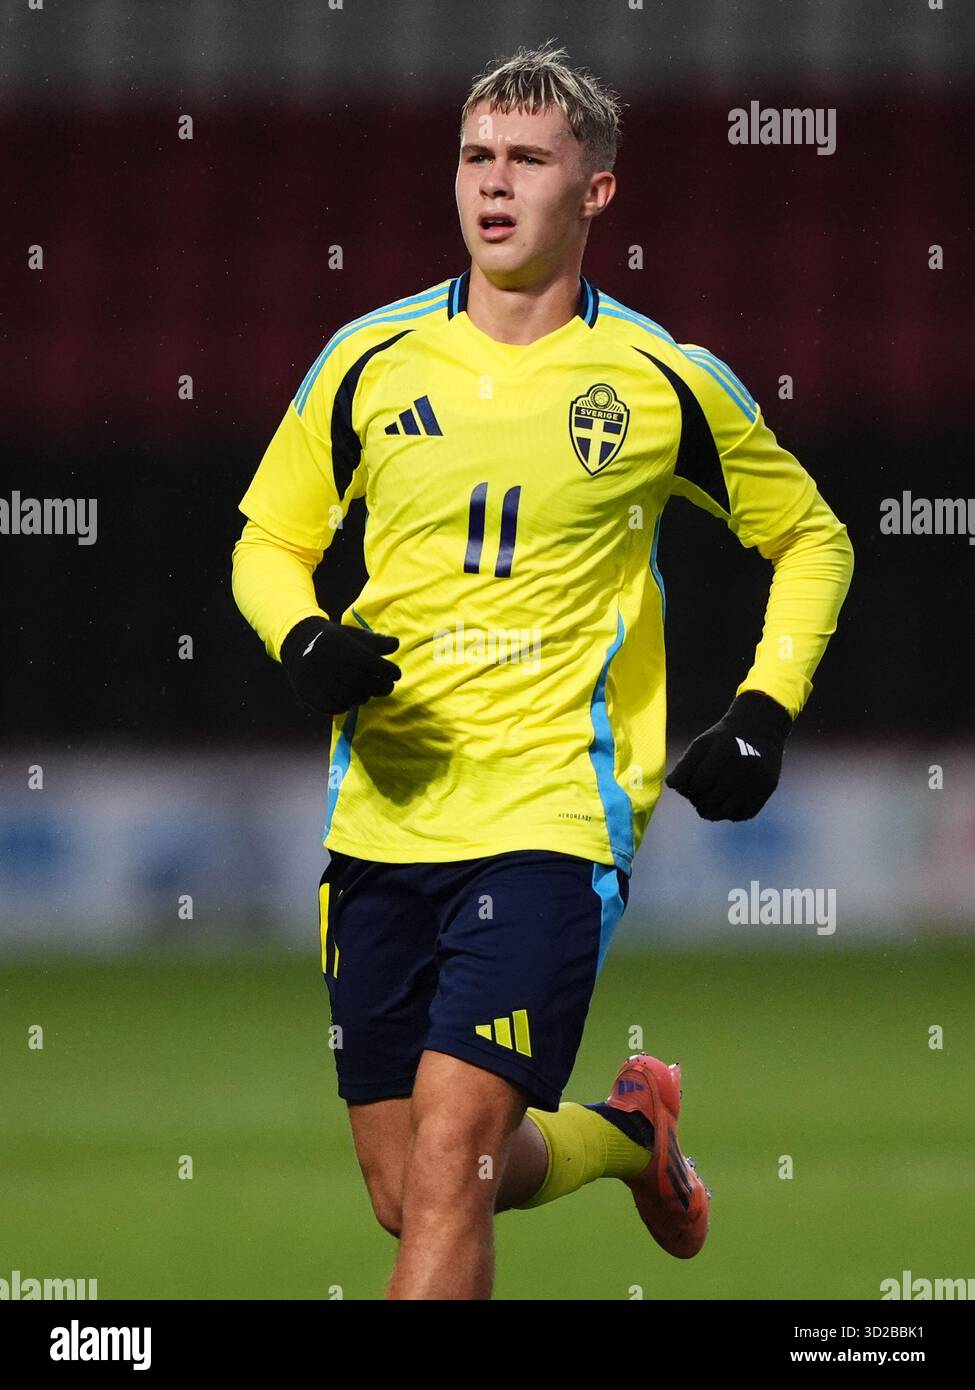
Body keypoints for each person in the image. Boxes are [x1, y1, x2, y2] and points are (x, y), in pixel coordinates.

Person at [231, 42, 854, 1300]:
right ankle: (629, 1136)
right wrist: (301, 635)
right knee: (411, 1188)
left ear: (597, 191)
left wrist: (763, 707)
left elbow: (811, 536)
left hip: (556, 818)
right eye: (475, 157)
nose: (493, 184)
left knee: (454, 1156)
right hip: (385, 815)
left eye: (527, 159)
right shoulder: (368, 358)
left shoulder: (663, 379)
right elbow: (269, 541)